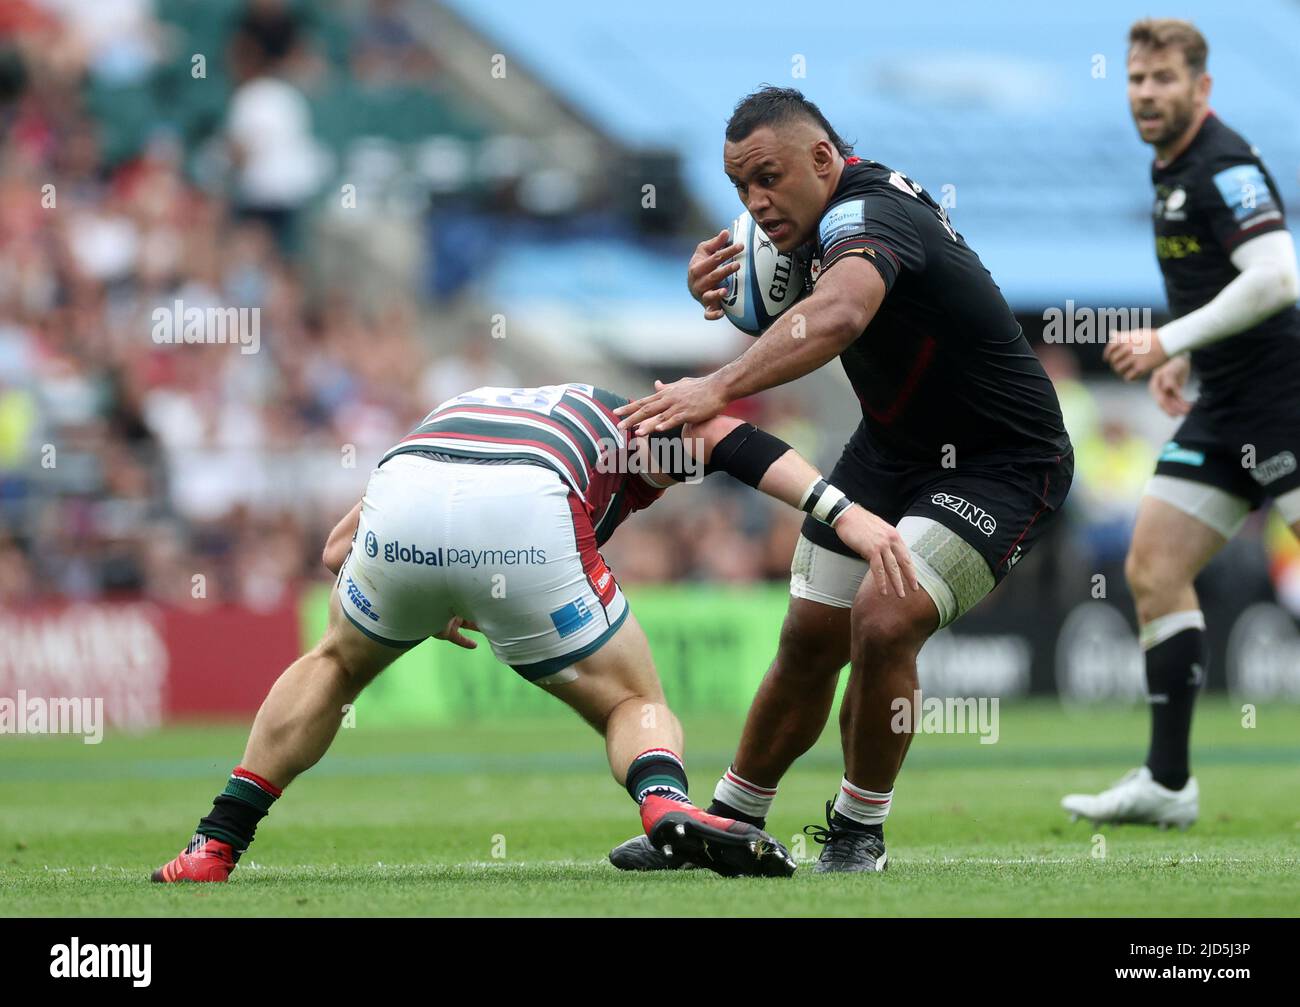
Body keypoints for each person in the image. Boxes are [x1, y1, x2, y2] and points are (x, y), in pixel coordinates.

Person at [151, 382, 915, 881]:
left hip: (407, 487)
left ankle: (215, 843)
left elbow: (330, 551)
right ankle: (663, 803)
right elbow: (739, 446)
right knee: (630, 702)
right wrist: (841, 511)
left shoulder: (480, 401)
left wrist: (443, 589)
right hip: (527, 505)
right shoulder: (634, 422)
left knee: (334, 663)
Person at [612, 87, 1073, 872]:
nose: (755, 203)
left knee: (885, 619)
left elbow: (838, 316)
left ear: (822, 159)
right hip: (893, 448)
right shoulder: (812, 216)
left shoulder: (869, 215)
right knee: (807, 639)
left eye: (768, 177)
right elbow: (788, 300)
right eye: (740, 188)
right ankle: (730, 820)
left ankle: (860, 832)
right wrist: (719, 296)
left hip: (1003, 458)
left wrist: (717, 385)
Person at [1065, 19, 1300, 828]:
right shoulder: (1169, 167)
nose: (1146, 94)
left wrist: (1168, 338)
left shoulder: (1224, 162)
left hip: (1284, 401)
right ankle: (1168, 782)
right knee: (1154, 567)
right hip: (1224, 403)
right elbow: (1218, 284)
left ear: (1201, 88)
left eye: (1163, 79)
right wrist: (1187, 353)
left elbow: (1275, 278)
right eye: (1136, 79)